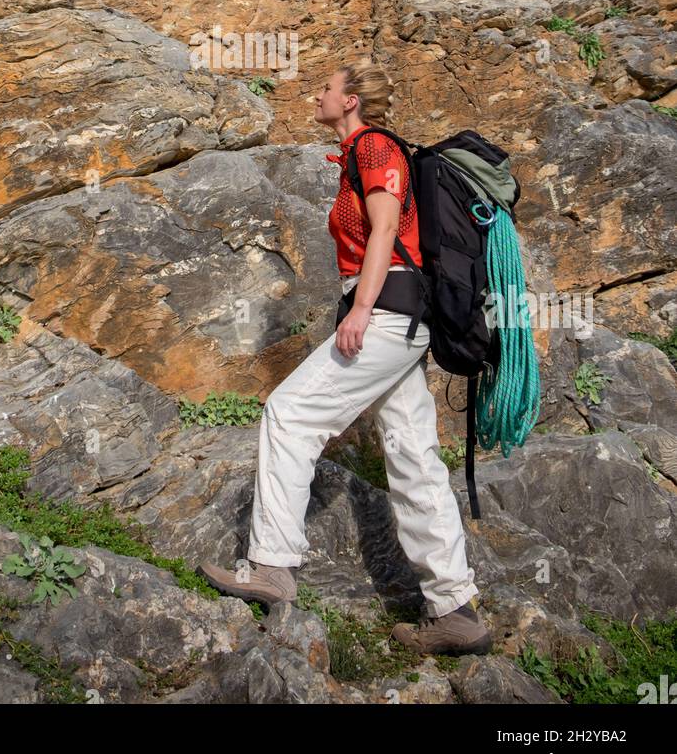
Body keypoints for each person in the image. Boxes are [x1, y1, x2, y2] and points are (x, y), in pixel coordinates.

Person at [197, 60, 492, 655]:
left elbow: (384, 231)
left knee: (288, 413)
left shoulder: (376, 146)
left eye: (326, 89)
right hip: (404, 317)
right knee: (412, 454)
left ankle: (272, 566)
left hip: (386, 313)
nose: (317, 95)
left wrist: (360, 308)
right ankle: (455, 607)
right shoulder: (360, 152)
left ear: (350, 100)